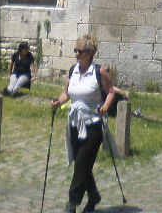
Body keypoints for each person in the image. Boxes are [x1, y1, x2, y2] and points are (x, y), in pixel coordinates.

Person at [50, 34, 117, 213]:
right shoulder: (72, 70)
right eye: (75, 51)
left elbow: (110, 92)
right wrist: (57, 102)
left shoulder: (99, 71)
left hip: (93, 125)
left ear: (90, 53)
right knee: (82, 164)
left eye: (80, 51)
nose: (76, 54)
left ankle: (72, 203)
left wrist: (104, 107)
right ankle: (93, 195)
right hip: (74, 124)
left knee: (81, 165)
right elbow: (67, 94)